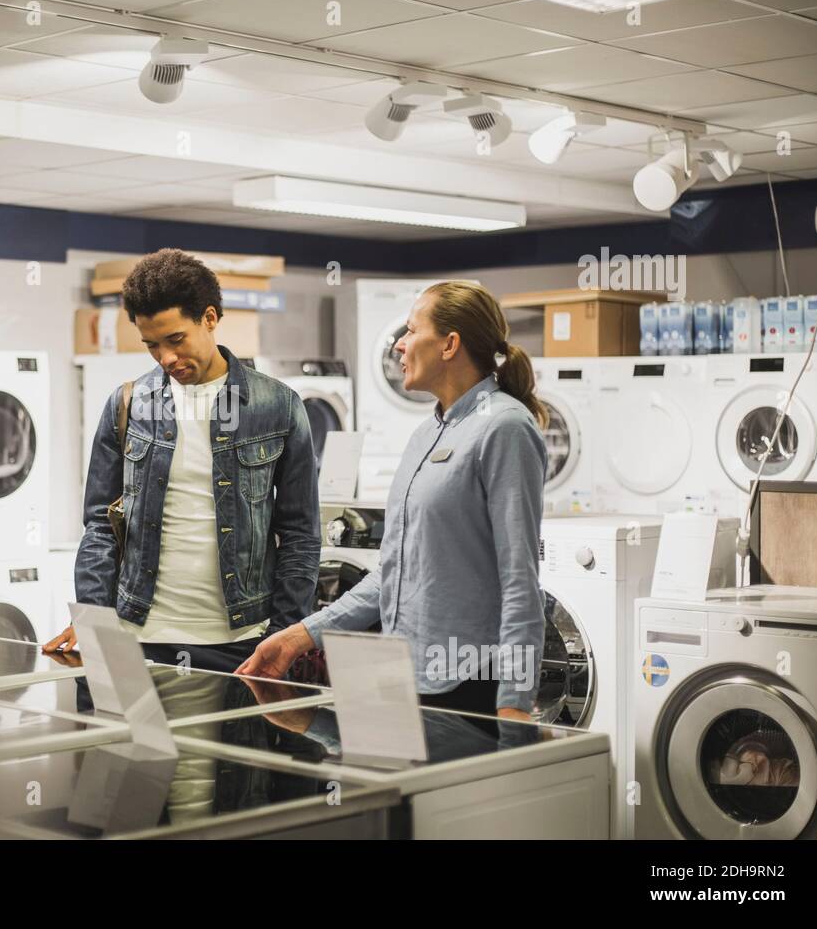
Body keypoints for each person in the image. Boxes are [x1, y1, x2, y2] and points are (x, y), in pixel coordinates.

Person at [238, 280, 548, 721]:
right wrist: (299, 636)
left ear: (449, 344)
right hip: (405, 677)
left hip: (471, 684)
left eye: (411, 331)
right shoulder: (427, 433)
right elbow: (392, 575)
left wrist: (515, 701)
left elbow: (520, 578)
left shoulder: (505, 428)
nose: (400, 345)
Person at [45, 248, 321, 673]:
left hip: (242, 641)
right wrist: (91, 617)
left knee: (241, 744)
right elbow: (100, 525)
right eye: (152, 345)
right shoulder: (128, 405)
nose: (166, 358)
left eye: (175, 340)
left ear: (209, 318)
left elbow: (300, 535)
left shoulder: (278, 407)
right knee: (121, 743)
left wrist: (285, 634)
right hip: (138, 637)